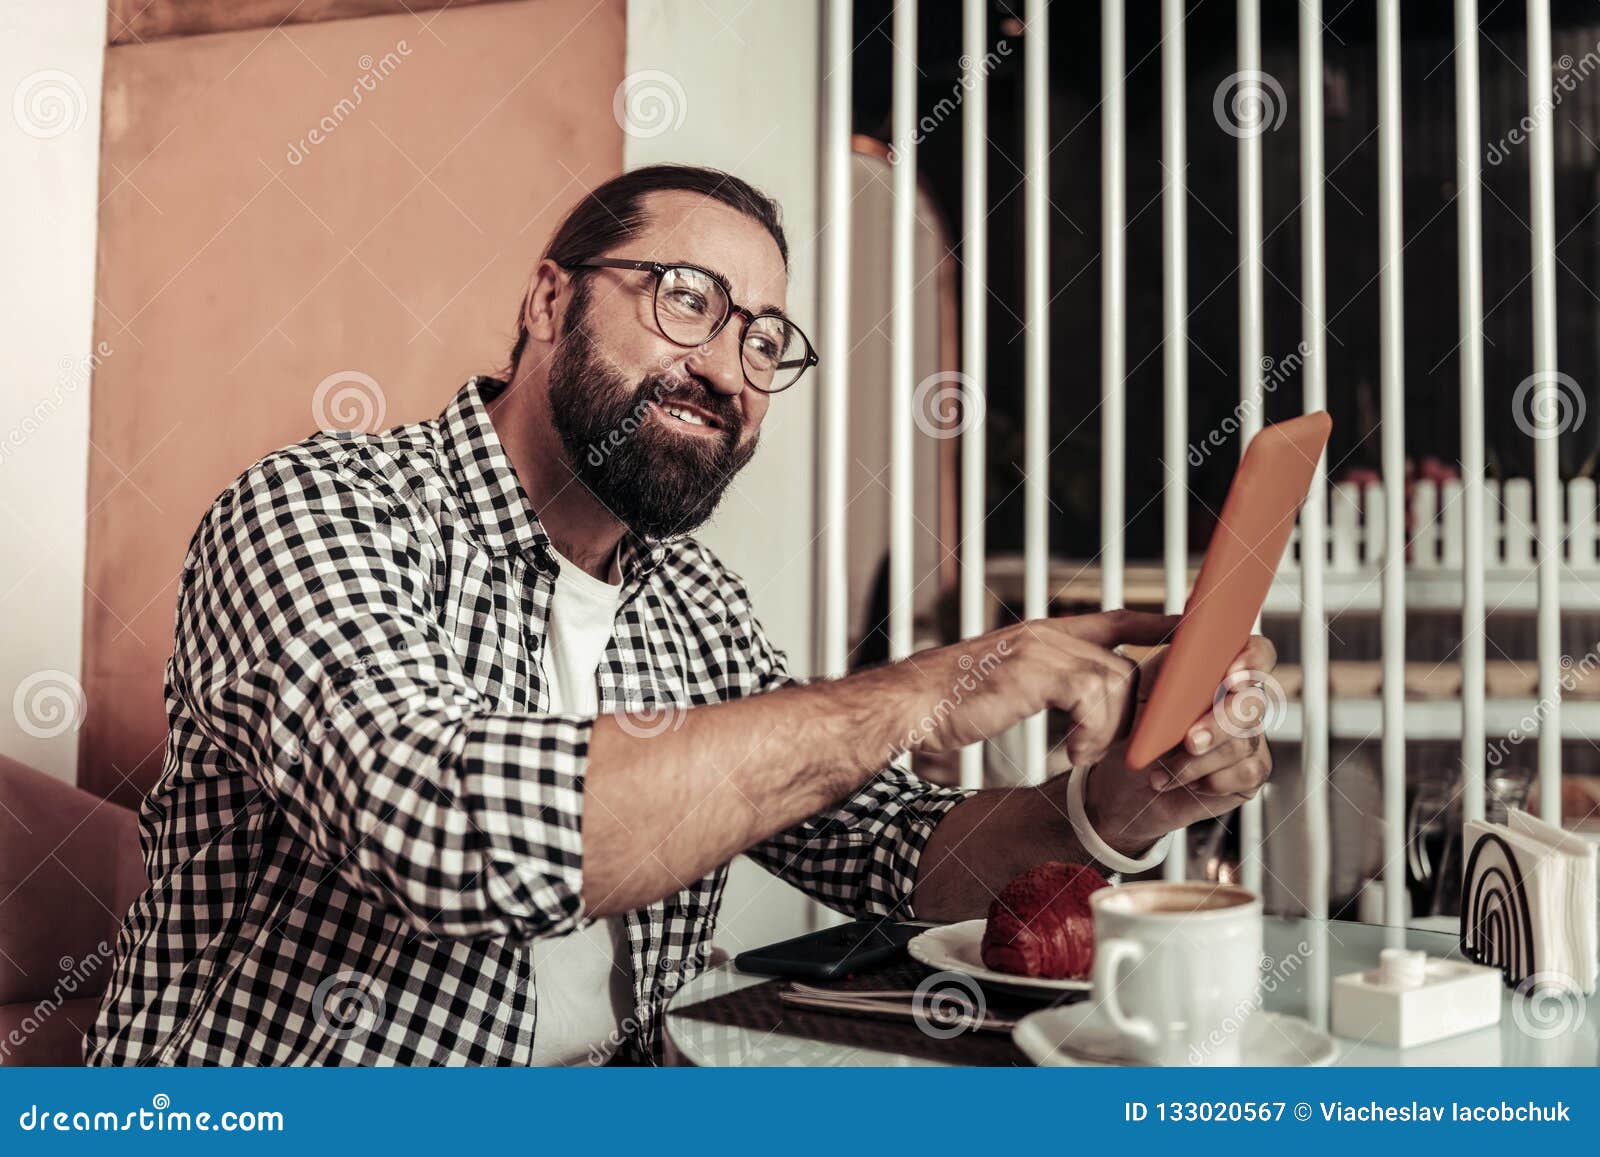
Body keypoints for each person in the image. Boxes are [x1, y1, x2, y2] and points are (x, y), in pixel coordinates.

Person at [87, 164, 1273, 1066]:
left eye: (764, 339)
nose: (728, 367)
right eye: (687, 300)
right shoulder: (319, 505)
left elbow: (888, 851)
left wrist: (1116, 802)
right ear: (550, 299)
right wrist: (917, 688)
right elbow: (446, 832)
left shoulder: (693, 600)